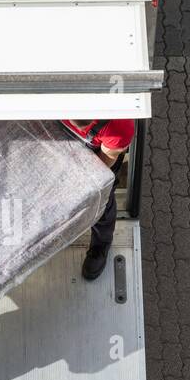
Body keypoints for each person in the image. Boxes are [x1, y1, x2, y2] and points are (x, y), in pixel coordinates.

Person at [60, 118, 136, 280]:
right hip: (60, 140)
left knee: (102, 198)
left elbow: (105, 159)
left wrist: (82, 182)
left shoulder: (119, 126)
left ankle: (101, 245)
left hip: (98, 155)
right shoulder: (46, 96)